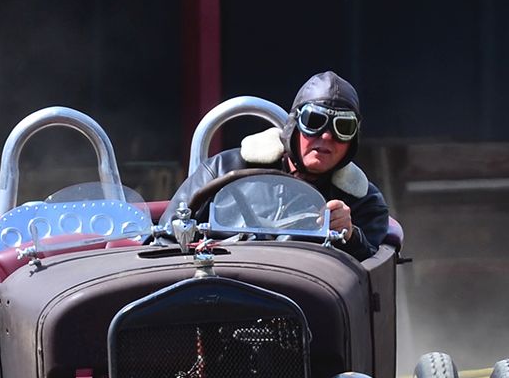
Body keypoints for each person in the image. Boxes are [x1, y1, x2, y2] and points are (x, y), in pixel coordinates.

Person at [169, 71, 395, 258]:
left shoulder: (364, 202)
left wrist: (350, 235)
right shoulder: (222, 169)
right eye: (314, 122)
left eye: (342, 128)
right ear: (294, 126)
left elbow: (371, 272)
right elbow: (164, 239)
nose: (326, 137)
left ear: (353, 139)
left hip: (303, 305)